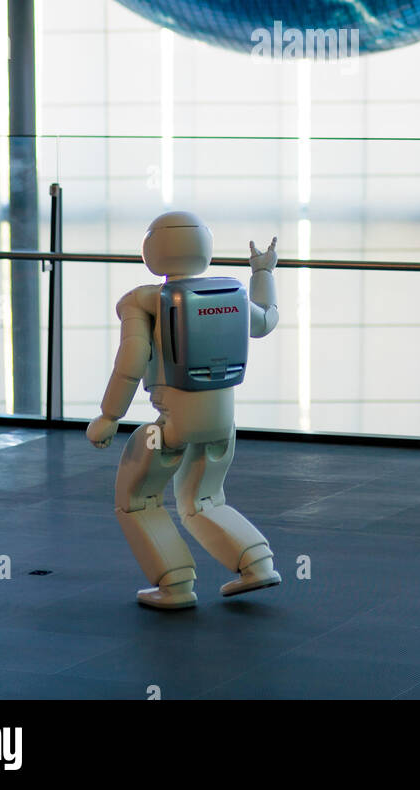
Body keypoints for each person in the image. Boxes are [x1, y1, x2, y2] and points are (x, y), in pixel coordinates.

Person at [86, 210, 281, 609]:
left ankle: (174, 584)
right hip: (222, 425)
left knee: (137, 496)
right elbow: (266, 322)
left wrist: (109, 417)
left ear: (151, 250)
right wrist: (262, 273)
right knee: (205, 499)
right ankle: (256, 563)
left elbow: (133, 358)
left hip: (169, 428)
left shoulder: (142, 300)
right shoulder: (231, 294)